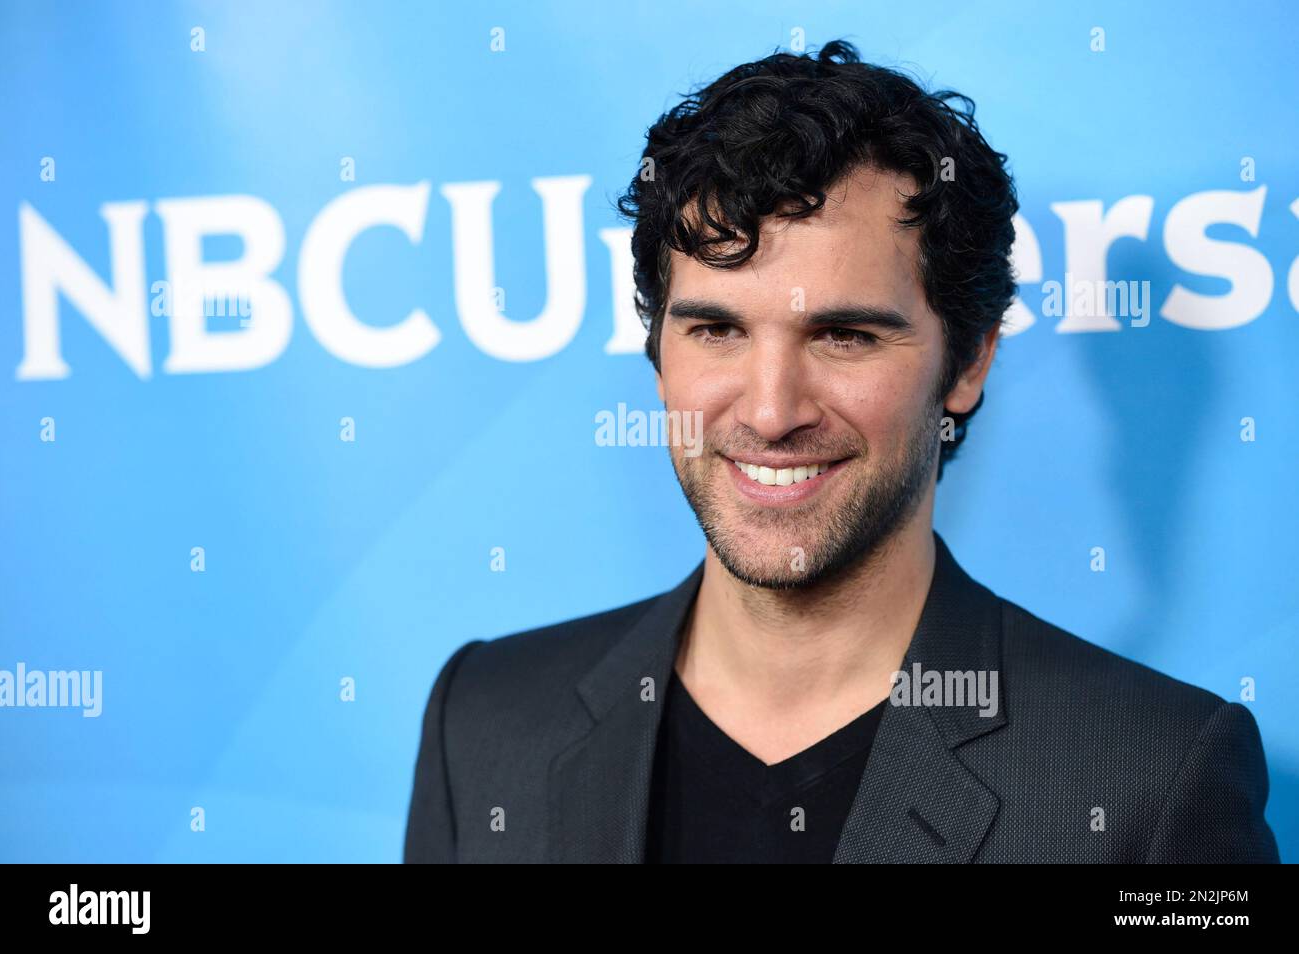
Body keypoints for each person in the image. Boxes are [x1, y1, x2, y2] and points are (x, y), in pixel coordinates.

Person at [404, 40, 1280, 863]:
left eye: (845, 336)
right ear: (659, 354)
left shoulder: (1154, 778)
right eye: (716, 329)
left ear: (968, 359)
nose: (772, 410)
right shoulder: (483, 724)